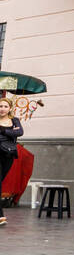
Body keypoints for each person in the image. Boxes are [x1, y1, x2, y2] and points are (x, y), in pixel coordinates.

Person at [0, 96, 24, 226]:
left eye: (5, 106)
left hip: (8, 154)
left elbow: (20, 132)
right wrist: (10, 132)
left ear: (9, 108)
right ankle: (0, 216)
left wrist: (3, 130)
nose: (2, 109)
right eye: (0, 106)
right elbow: (13, 133)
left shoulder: (14, 120)